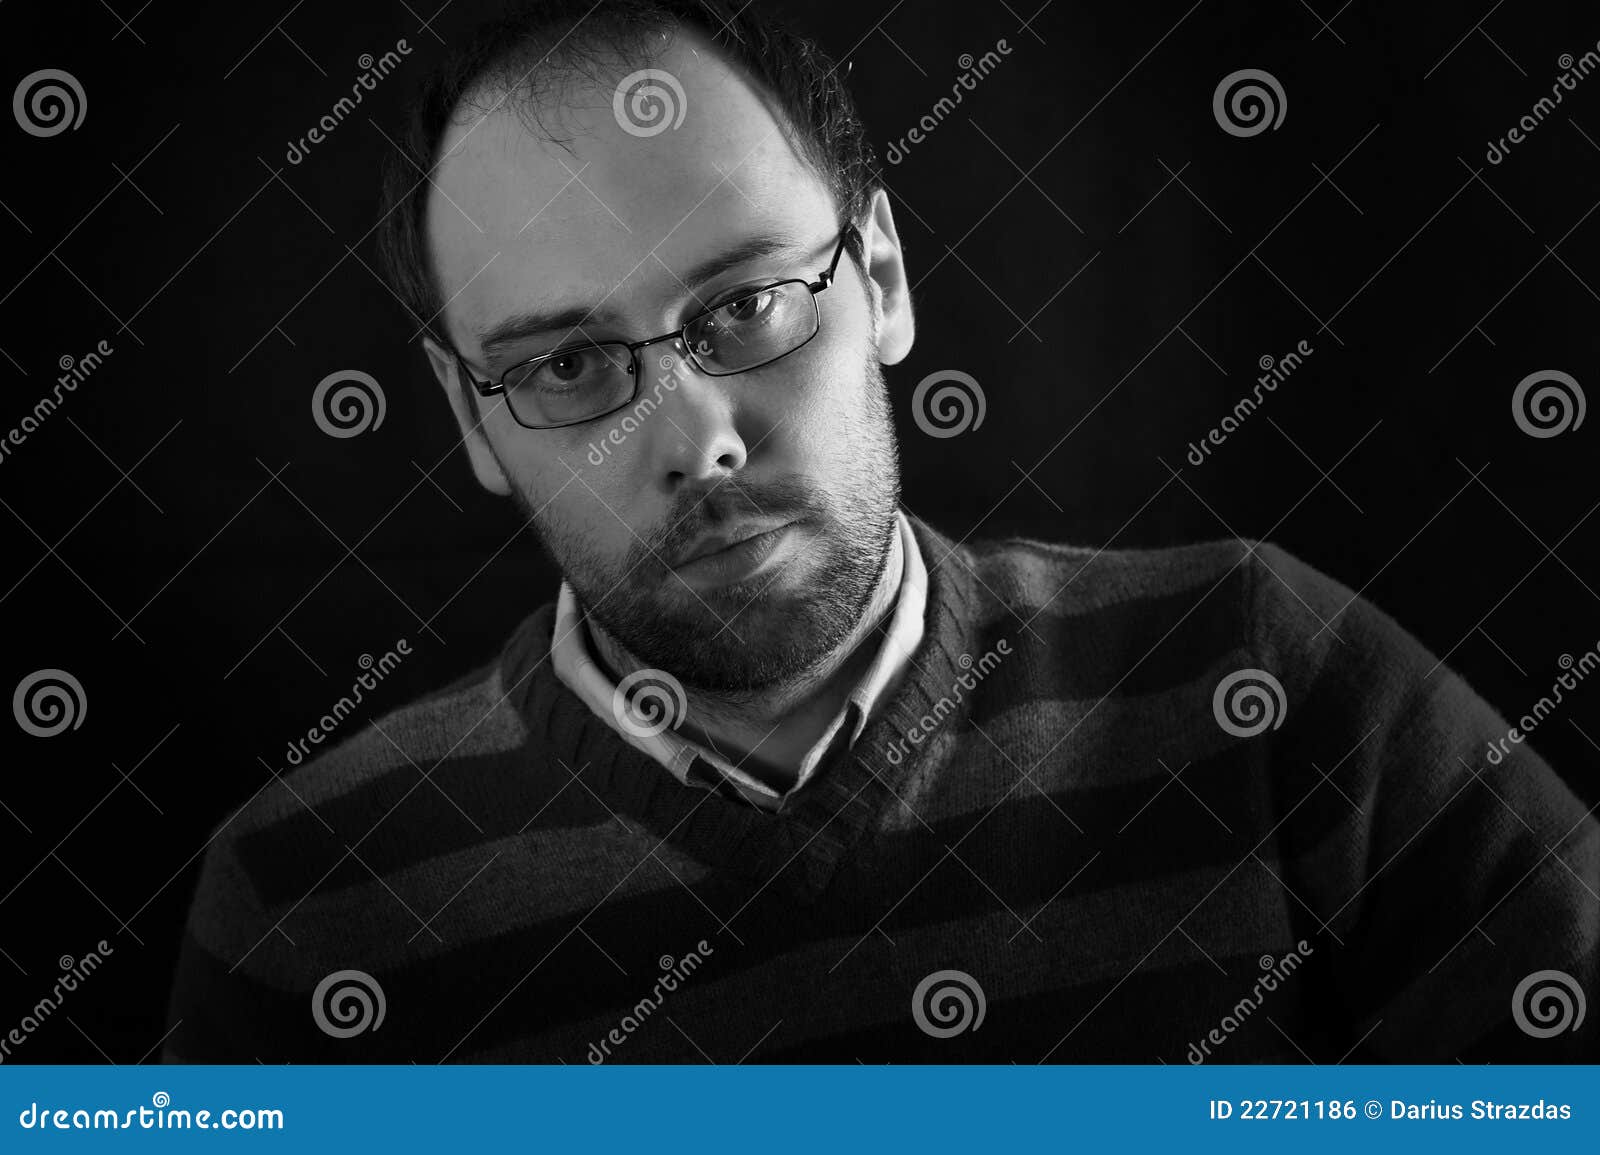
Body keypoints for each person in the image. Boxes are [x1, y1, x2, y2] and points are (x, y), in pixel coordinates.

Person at [165, 0, 1597, 1063]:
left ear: (886, 276)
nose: (698, 436)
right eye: (564, 367)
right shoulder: (313, 907)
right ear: (471, 418)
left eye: (745, 307)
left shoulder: (1269, 681)